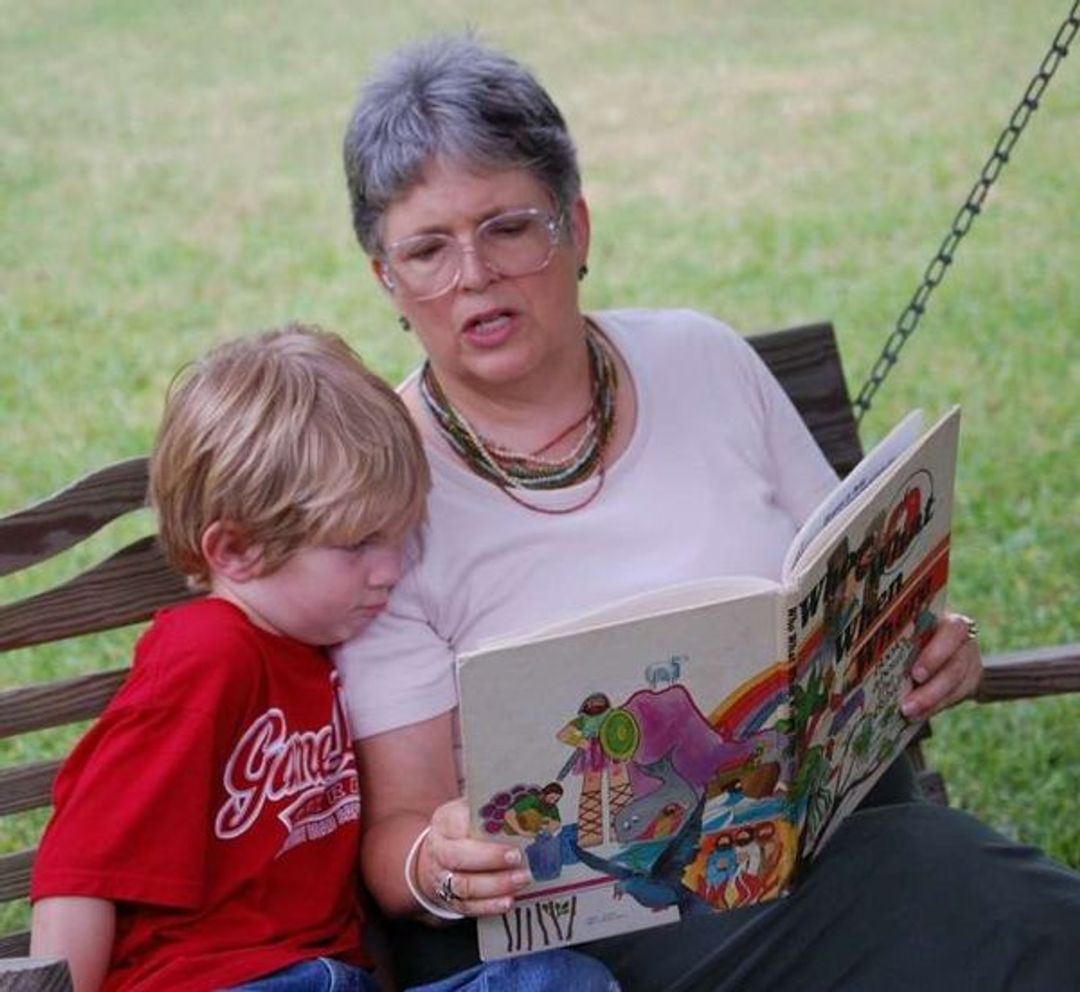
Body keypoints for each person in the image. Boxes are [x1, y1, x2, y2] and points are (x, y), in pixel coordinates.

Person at [335, 35, 1080, 992]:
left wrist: (933, 646)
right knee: (984, 907)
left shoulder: (703, 359)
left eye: (509, 227)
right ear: (386, 282)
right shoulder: (383, 488)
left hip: (831, 842)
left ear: (578, 229)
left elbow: (853, 592)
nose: (473, 274)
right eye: (428, 249)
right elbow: (398, 831)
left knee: (954, 899)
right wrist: (434, 865)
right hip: (607, 928)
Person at [29, 325, 618, 992]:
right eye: (358, 544)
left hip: (336, 980)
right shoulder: (206, 658)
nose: (391, 569)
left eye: (398, 537)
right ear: (236, 550)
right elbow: (81, 866)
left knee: (556, 979)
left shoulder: (320, 652)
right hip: (221, 982)